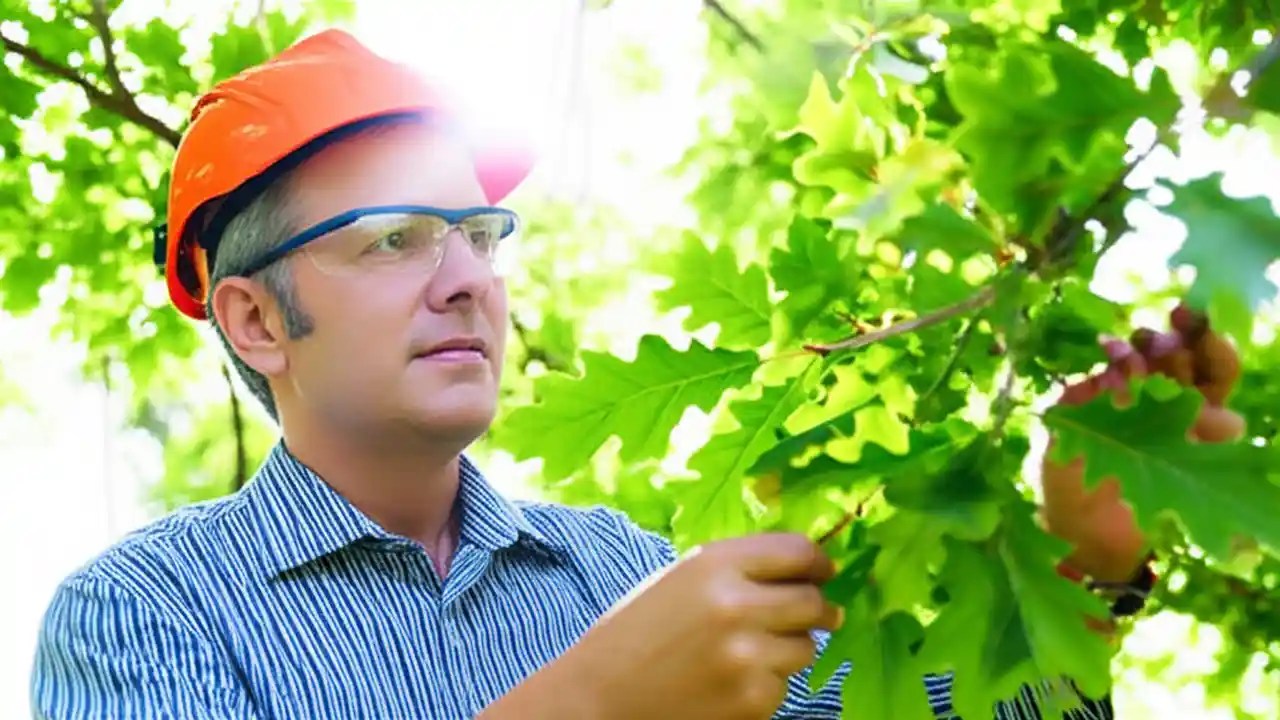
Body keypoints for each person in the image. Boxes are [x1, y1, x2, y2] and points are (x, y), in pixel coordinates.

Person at [29, 29, 1245, 720]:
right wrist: (601, 704)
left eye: (478, 233)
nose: (466, 279)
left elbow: (932, 712)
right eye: (396, 237)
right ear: (252, 318)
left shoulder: (622, 570)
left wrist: (1081, 562)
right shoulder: (143, 616)